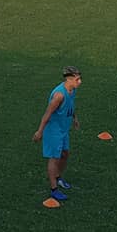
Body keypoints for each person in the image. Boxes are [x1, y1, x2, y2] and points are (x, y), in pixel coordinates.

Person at [33, 66, 81, 205]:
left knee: (65, 154)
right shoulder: (59, 96)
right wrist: (39, 132)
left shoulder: (72, 90)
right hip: (54, 131)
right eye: (77, 79)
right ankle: (54, 189)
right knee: (54, 158)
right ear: (69, 79)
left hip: (63, 129)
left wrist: (74, 118)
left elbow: (71, 105)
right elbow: (47, 114)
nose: (80, 82)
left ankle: (58, 177)